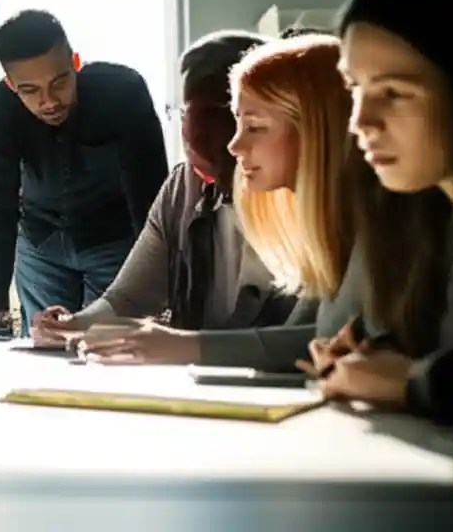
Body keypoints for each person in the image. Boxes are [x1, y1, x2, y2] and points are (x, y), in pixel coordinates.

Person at [79, 34, 361, 367]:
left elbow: (311, 344)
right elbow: (311, 339)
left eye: (254, 126)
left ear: (314, 128)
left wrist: (183, 346)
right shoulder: (186, 190)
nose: (233, 145)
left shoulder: (365, 224)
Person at [31, 30, 301, 350]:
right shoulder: (183, 189)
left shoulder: (301, 199)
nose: (190, 134)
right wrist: (72, 325)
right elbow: (129, 297)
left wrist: (183, 346)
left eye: (212, 116)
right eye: (182, 113)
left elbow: (304, 340)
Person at [306, 0, 453, 424]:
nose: (360, 121)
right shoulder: (422, 215)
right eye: (355, 88)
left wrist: (414, 381)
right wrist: (381, 355)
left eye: (394, 92)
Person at [0, 9, 168, 336]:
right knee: (44, 345)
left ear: (75, 62)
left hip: (114, 243)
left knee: (107, 346)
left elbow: (149, 192)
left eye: (59, 82)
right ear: (10, 84)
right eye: (30, 90)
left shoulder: (123, 92)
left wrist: (160, 284)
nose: (49, 101)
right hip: (40, 245)